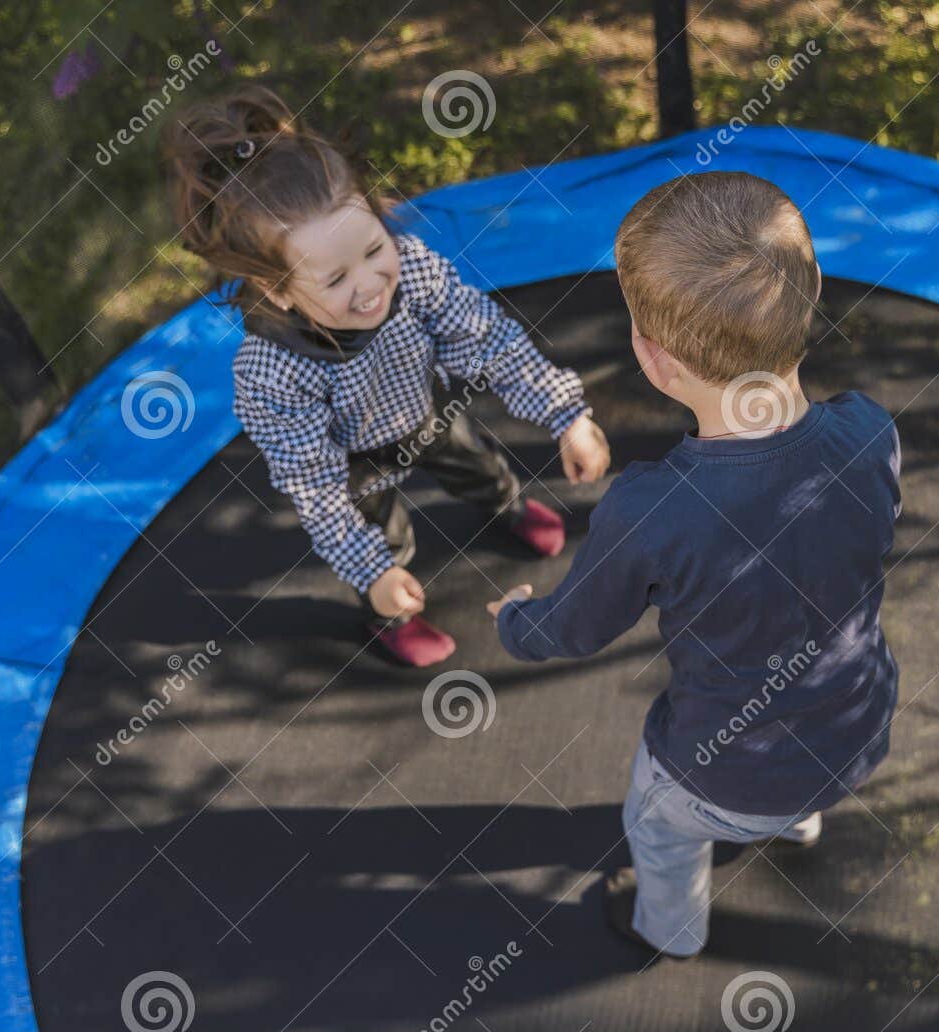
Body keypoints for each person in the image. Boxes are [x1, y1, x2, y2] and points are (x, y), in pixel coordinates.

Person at [489, 172, 901, 957]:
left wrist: (515, 622)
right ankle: (801, 819)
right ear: (808, 306)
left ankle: (669, 930)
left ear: (653, 357)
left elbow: (573, 630)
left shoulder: (653, 509)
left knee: (656, 823)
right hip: (859, 732)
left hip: (721, 778)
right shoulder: (869, 431)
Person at [165, 86, 610, 666]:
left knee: (480, 465)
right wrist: (373, 571)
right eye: (335, 280)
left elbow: (486, 337)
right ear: (278, 290)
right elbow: (315, 491)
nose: (371, 285)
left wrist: (565, 414)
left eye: (375, 248)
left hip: (423, 411)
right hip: (353, 462)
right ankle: (387, 614)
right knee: (390, 540)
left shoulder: (414, 270)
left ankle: (505, 507)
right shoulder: (273, 374)